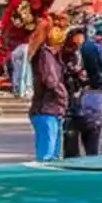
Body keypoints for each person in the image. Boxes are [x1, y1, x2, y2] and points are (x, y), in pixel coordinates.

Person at [28, 17, 68, 161]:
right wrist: (62, 93)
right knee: (47, 156)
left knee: (55, 156)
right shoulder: (45, 55)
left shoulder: (52, 55)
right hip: (46, 109)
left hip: (53, 108)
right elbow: (50, 81)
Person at [61, 27, 102, 157]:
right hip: (94, 98)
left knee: (71, 144)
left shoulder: (69, 53)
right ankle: (91, 165)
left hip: (76, 102)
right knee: (92, 143)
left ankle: (74, 168)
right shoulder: (93, 48)